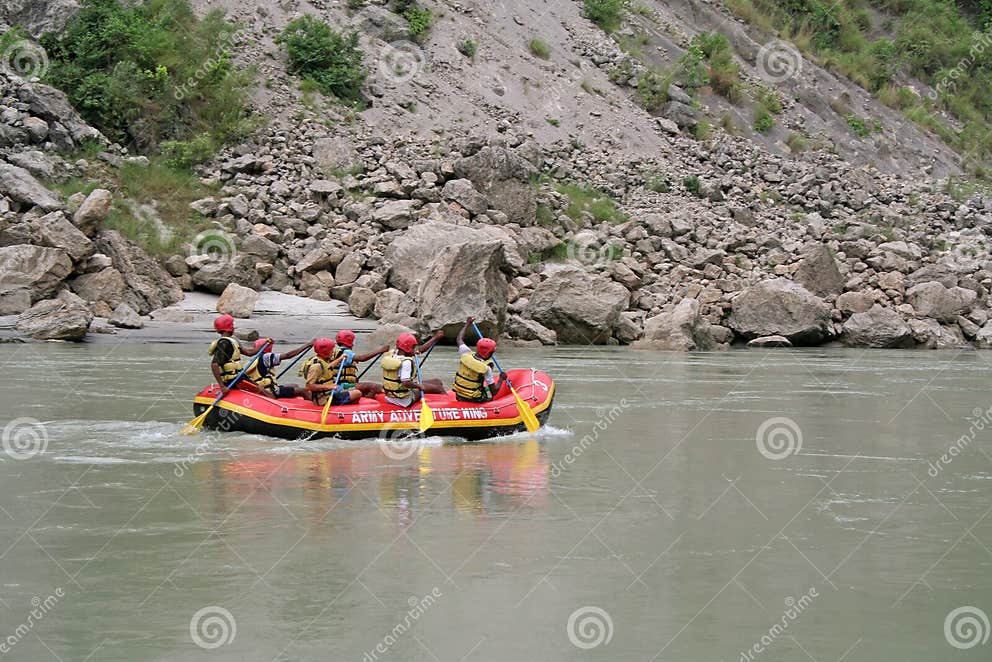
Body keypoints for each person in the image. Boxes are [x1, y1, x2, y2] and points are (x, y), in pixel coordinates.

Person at [381, 331, 445, 408]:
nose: (415, 350)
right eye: (413, 347)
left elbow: (420, 350)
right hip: (404, 400)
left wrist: (435, 338)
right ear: (407, 348)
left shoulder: (392, 354)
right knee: (438, 388)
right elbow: (406, 382)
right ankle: (449, 408)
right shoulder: (406, 362)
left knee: (437, 381)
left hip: (390, 397)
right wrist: (419, 386)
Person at [452, 317, 507, 403]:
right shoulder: (486, 368)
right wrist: (501, 379)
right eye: (492, 352)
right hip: (473, 399)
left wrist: (467, 324)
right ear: (488, 353)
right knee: (490, 396)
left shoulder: (465, 353)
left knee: (482, 386)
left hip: (459, 395)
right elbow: (494, 391)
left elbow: (459, 338)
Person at [209, 314, 261, 395]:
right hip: (233, 380)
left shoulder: (233, 340)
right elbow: (214, 364)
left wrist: (263, 345)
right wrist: (222, 386)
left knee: (260, 388)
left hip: (239, 377)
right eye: (232, 325)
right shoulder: (224, 343)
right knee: (261, 391)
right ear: (228, 327)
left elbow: (249, 353)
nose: (233, 327)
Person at [245, 338, 314, 399]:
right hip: (271, 391)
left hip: (270, 388)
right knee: (303, 391)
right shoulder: (266, 357)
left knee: (294, 385)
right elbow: (288, 355)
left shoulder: (254, 359)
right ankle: (315, 407)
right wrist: (308, 345)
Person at [300, 338, 359, 407]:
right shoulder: (316, 366)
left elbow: (328, 367)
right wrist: (328, 386)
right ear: (326, 352)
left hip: (328, 394)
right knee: (357, 393)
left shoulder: (320, 360)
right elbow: (308, 387)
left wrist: (340, 359)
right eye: (331, 350)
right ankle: (340, 411)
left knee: (352, 389)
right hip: (324, 399)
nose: (333, 352)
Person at [330, 330, 389, 398]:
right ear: (350, 341)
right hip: (342, 387)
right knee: (375, 387)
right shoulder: (346, 352)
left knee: (365, 387)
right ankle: (368, 402)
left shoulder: (333, 352)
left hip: (336, 386)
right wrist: (380, 350)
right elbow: (362, 358)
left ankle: (367, 399)